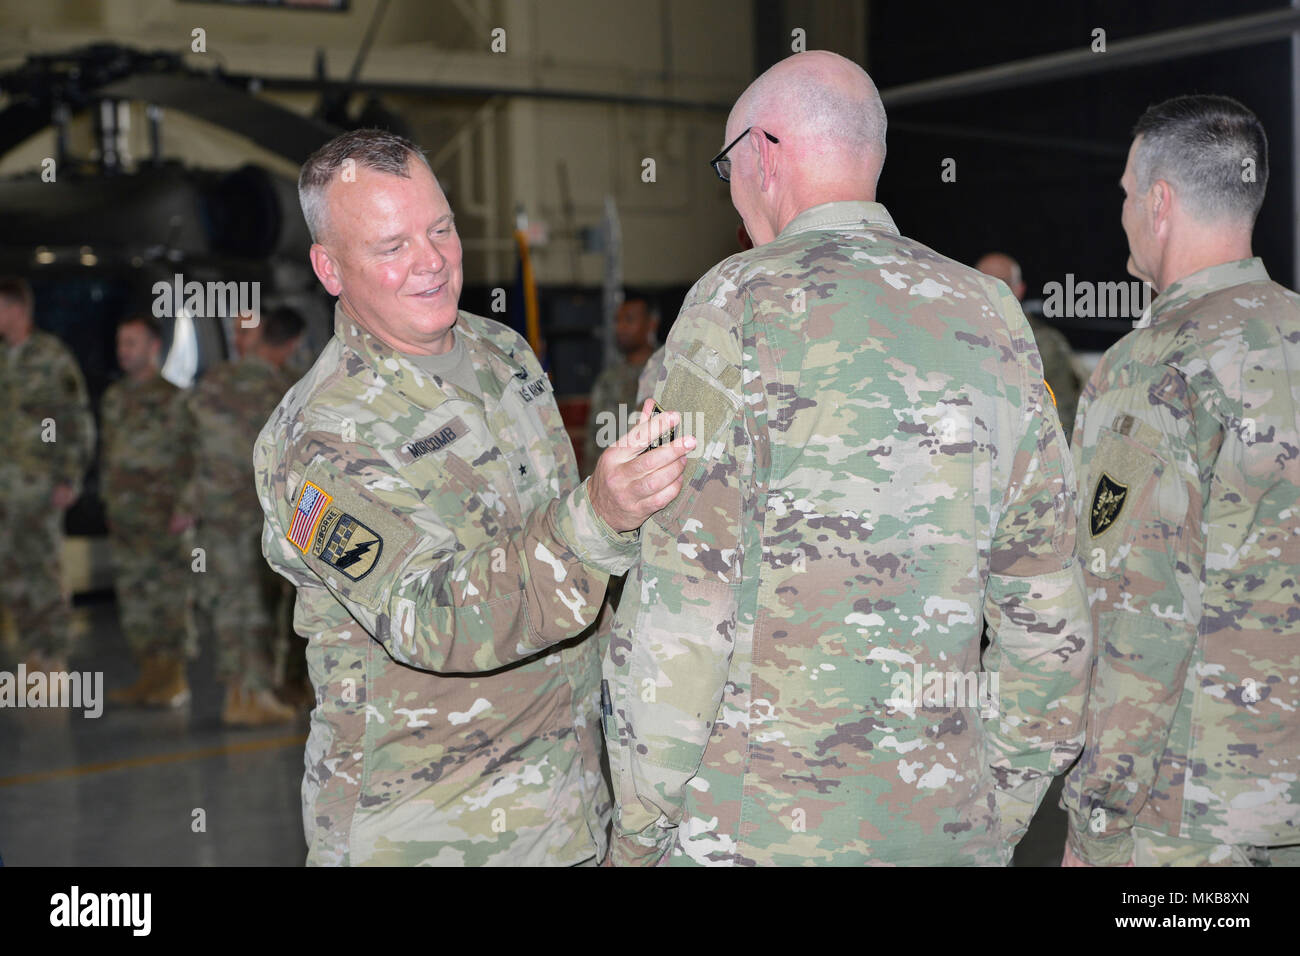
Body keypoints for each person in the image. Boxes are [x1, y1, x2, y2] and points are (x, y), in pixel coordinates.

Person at [603, 50, 1091, 866]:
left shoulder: (733, 305)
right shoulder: (991, 316)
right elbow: (1050, 621)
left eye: (728, 166)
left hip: (754, 834)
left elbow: (680, 616)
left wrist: (637, 829)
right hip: (944, 830)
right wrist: (991, 813)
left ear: (762, 153)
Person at [254, 129, 693, 866]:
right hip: (429, 831)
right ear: (329, 268)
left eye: (442, 228)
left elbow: (563, 567)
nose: (431, 261)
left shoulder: (503, 356)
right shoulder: (319, 440)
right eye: (392, 247)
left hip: (568, 806)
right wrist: (600, 519)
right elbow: (431, 616)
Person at [1062, 95, 1300, 867]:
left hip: (1191, 818)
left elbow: (1135, 608)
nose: (1123, 210)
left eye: (1128, 192)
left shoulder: (1153, 367)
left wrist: (1096, 819)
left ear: (1159, 204)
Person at [179, 306, 305, 726]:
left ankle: (252, 690)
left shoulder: (217, 383)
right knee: (247, 607)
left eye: (244, 330)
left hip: (232, 515)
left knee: (240, 605)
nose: (237, 337)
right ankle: (248, 694)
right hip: (250, 516)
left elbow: (191, 448)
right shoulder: (279, 386)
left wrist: (190, 501)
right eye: (234, 330)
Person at [0, 277, 95, 674]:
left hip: (38, 487)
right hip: (5, 491)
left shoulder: (52, 357)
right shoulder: (3, 359)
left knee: (43, 571)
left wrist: (69, 477)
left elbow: (76, 420)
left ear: (19, 309)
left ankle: (52, 656)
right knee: (11, 574)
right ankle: (32, 652)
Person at [101, 314, 195, 708]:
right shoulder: (114, 398)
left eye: (132, 343)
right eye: (121, 343)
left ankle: (173, 679)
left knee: (167, 599)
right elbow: (109, 457)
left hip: (164, 518)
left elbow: (195, 457)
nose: (124, 351)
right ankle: (149, 675)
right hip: (126, 518)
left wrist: (187, 507)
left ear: (154, 347)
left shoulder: (175, 399)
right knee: (135, 599)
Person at [975, 252, 1083, 440]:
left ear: (1019, 289)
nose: (989, 289)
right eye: (981, 281)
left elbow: (1063, 412)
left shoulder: (1043, 343)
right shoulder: (959, 333)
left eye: (1001, 283)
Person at [583, 294, 660, 475]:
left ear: (651, 323)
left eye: (629, 320)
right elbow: (594, 439)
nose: (621, 327)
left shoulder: (667, 371)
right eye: (618, 320)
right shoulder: (608, 379)